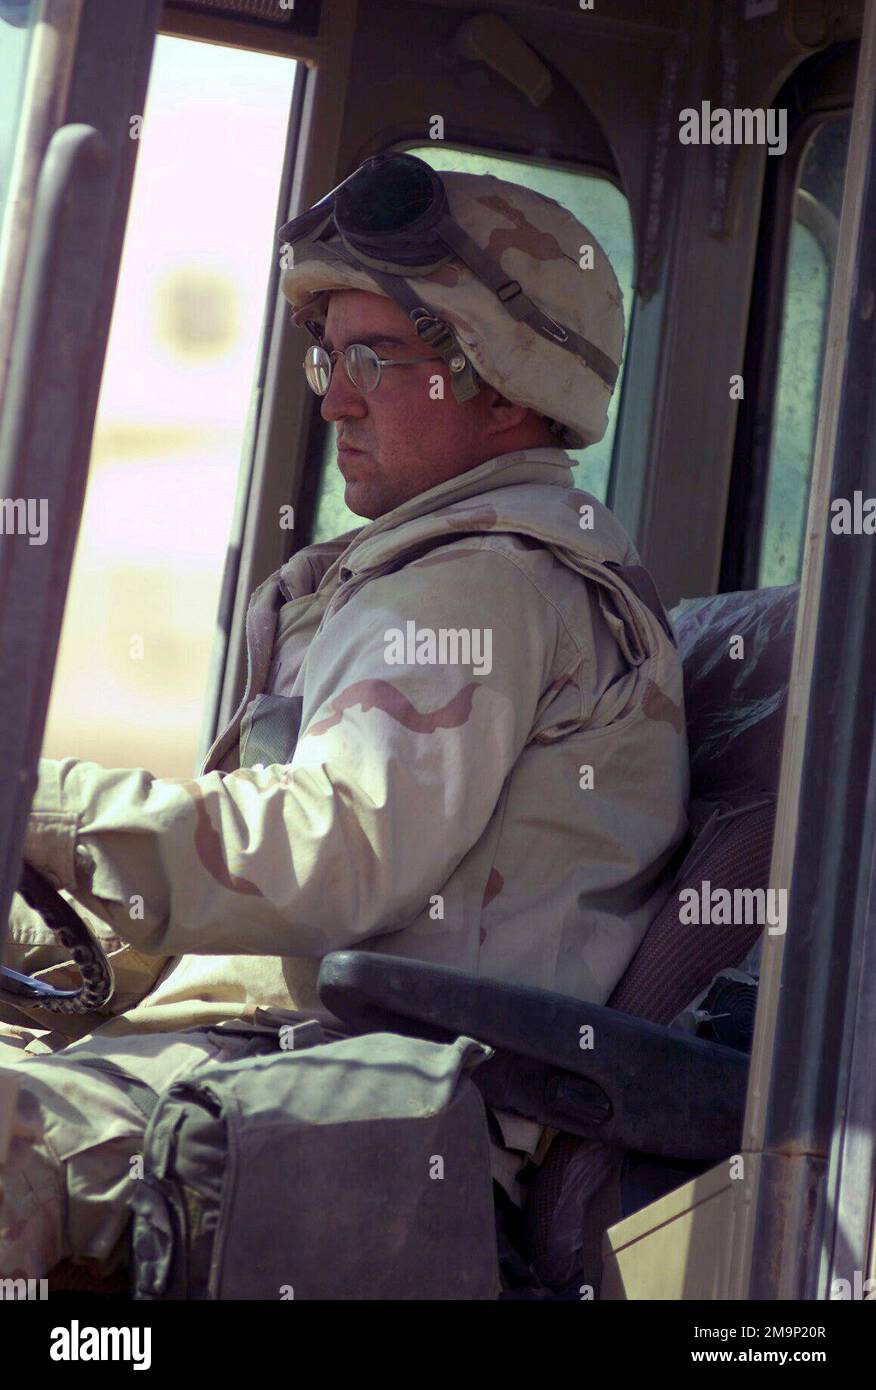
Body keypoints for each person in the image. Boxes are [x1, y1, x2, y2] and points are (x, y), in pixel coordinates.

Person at [0, 153, 689, 1286]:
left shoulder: (480, 583)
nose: (333, 396)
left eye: (377, 356)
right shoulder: (425, 572)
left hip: (337, 1111)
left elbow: (333, 851)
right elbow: (279, 931)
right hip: (269, 1069)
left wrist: (42, 806)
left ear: (503, 381)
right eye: (332, 354)